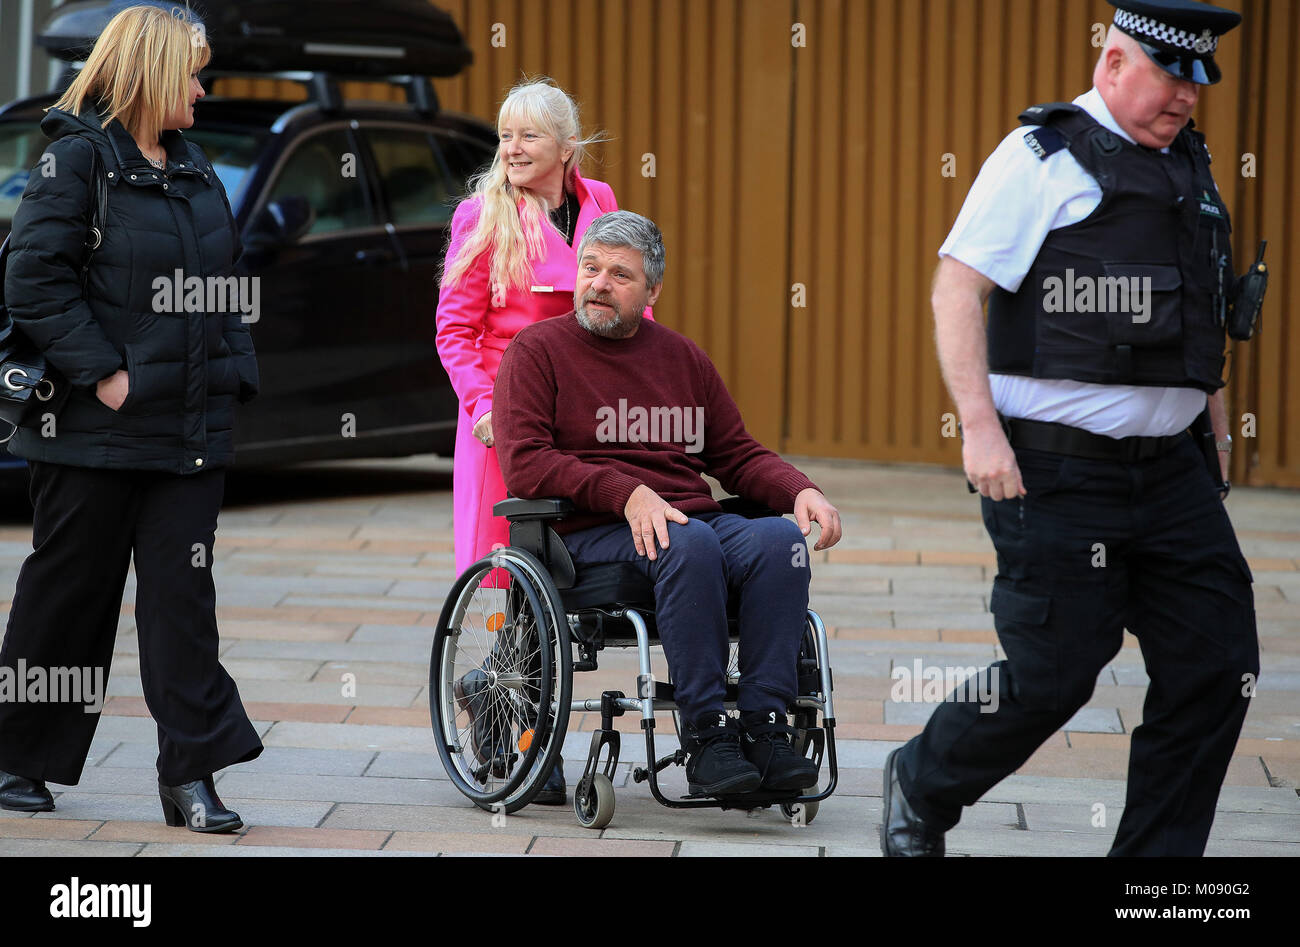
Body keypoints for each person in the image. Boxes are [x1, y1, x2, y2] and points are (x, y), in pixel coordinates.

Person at [883, 0, 1259, 857]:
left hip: (1174, 475)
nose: (1187, 99)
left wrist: (1217, 444)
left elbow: (1200, 325)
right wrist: (979, 431)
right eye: (1170, 77)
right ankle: (922, 778)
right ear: (1112, 64)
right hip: (1054, 473)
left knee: (1215, 666)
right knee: (1052, 676)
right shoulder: (1040, 157)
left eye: (1198, 83)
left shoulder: (1188, 166)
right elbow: (955, 290)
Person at [0, 4, 261, 832]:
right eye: (190, 71)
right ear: (150, 75)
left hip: (187, 432)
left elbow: (225, 279)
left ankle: (192, 775)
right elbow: (35, 281)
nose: (200, 86)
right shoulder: (76, 162)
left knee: (182, 603)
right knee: (67, 593)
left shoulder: (195, 170)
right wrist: (105, 372)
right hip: (89, 432)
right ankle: (16, 755)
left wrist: (232, 376)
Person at [494, 210, 843, 797]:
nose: (599, 284)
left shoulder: (681, 357)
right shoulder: (537, 351)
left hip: (686, 519)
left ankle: (764, 728)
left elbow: (734, 454)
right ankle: (706, 735)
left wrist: (800, 489)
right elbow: (525, 461)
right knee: (691, 542)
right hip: (585, 530)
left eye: (620, 275)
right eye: (590, 268)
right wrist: (624, 492)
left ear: (652, 290)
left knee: (779, 541)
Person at [435, 78, 650, 804]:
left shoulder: (603, 205)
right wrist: (482, 405)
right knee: (523, 577)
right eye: (504, 135)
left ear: (567, 145)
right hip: (510, 422)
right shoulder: (481, 215)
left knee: (564, 574)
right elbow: (455, 332)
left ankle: (492, 694)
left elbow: (626, 301)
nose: (513, 148)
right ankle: (533, 737)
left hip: (585, 419)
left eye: (528, 135)